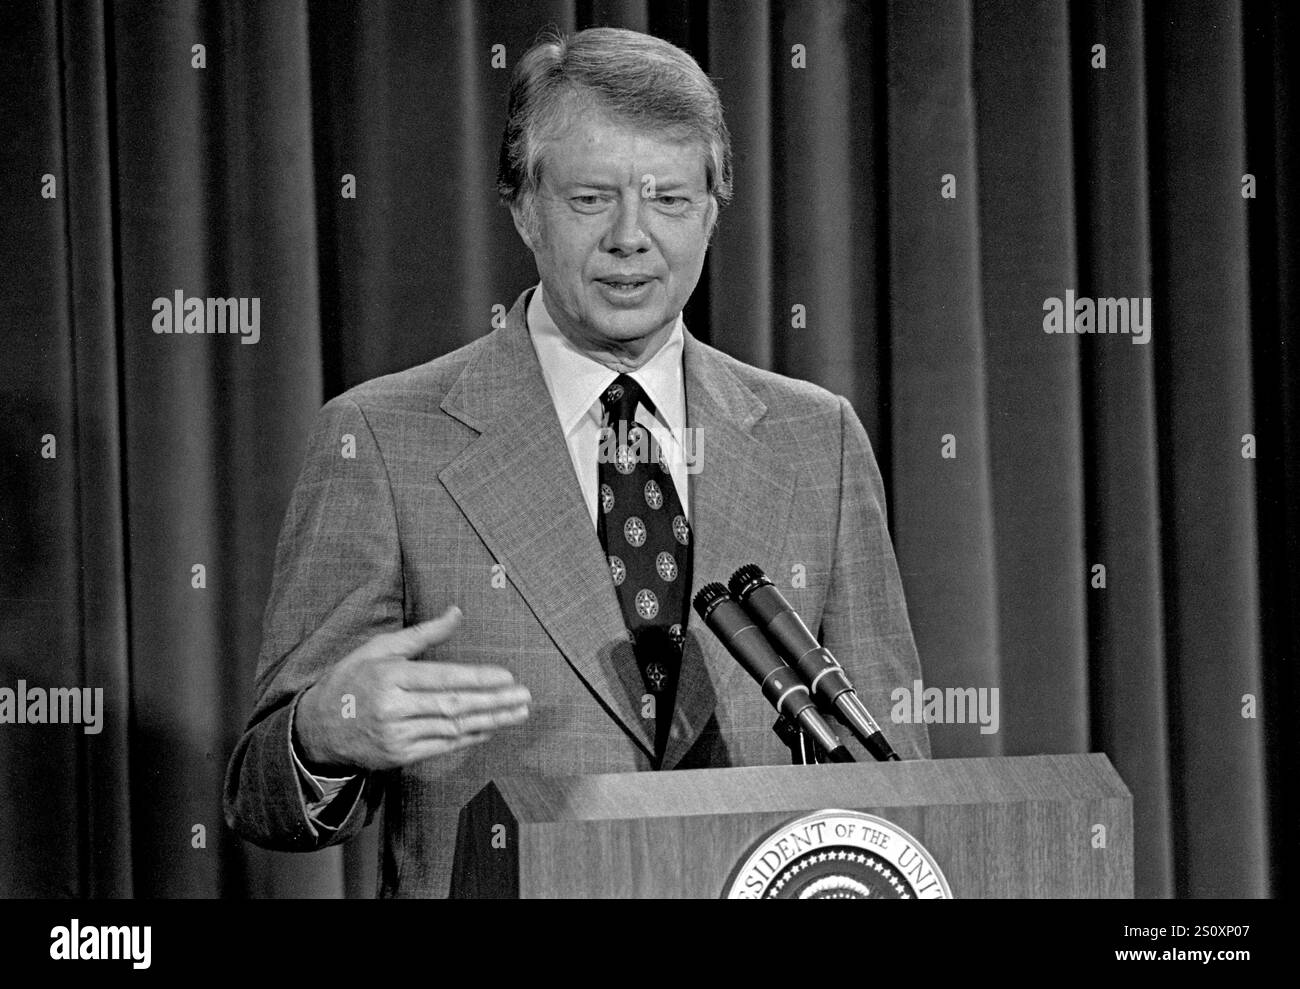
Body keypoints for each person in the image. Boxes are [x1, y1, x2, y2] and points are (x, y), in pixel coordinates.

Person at [224, 25, 929, 898]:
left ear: (715, 206)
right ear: (522, 206)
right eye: (592, 197)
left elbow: (896, 778)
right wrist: (323, 734)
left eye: (669, 198)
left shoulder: (815, 436)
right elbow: (260, 794)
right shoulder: (381, 439)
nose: (632, 236)